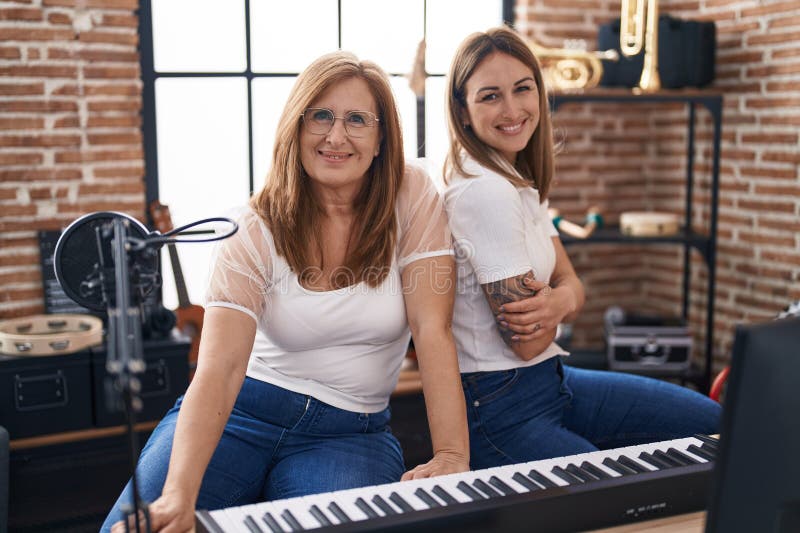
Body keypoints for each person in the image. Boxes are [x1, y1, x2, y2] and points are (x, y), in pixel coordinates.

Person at [105, 51, 469, 532]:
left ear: (382, 138)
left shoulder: (413, 195)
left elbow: (432, 328)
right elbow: (220, 367)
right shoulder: (251, 227)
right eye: (320, 115)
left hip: (349, 433)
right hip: (241, 412)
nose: (335, 136)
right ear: (295, 128)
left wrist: (451, 455)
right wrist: (179, 494)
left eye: (357, 119)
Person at [442, 26, 720, 470]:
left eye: (523, 89)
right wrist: (560, 304)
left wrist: (557, 302)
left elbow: (572, 283)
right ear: (463, 107)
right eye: (490, 95)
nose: (512, 110)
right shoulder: (484, 193)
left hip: (555, 382)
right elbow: (528, 345)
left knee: (717, 424)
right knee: (615, 493)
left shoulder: (518, 180)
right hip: (501, 409)